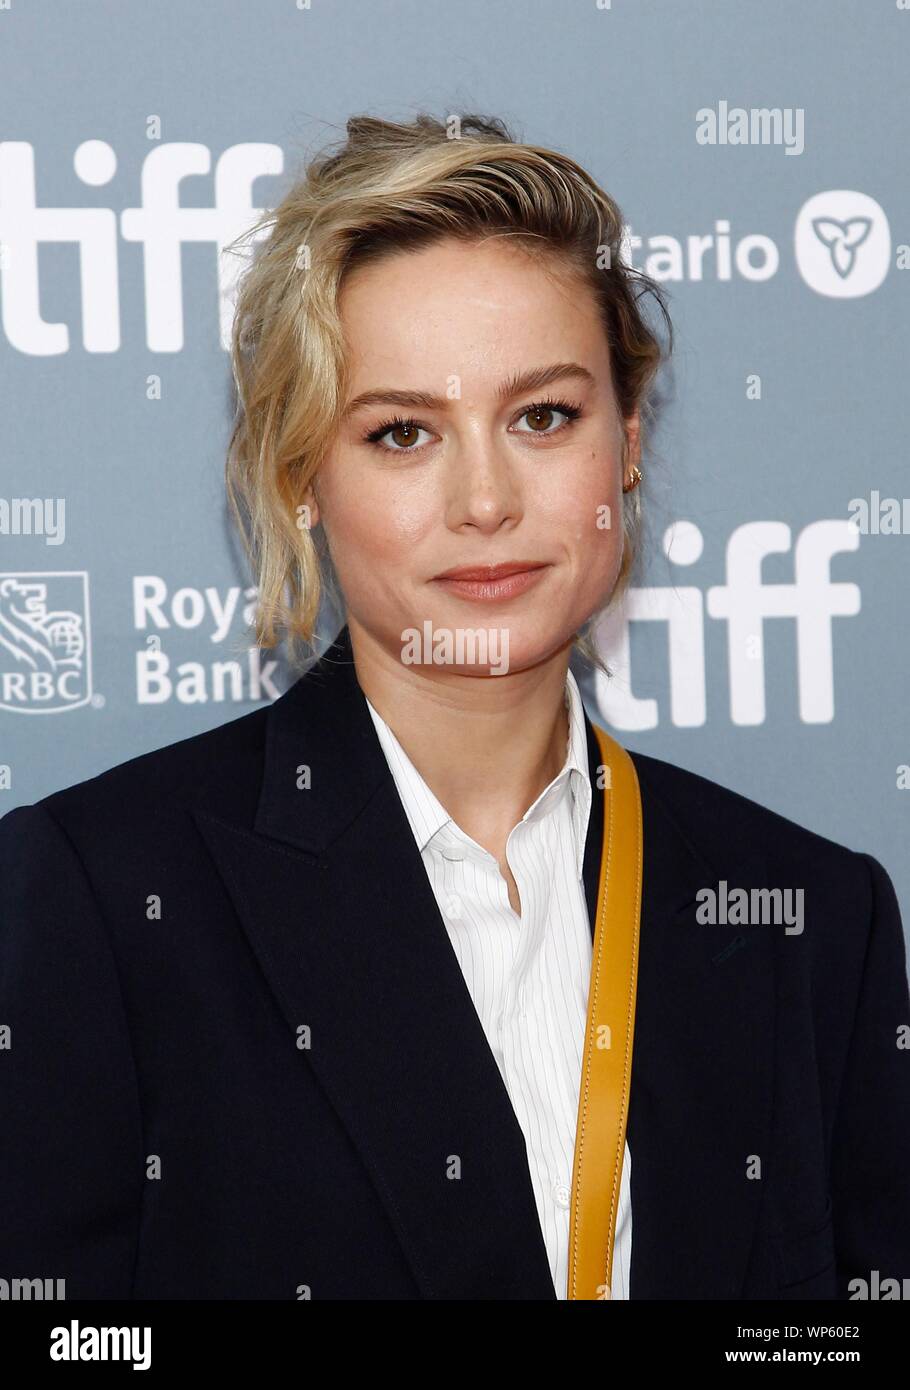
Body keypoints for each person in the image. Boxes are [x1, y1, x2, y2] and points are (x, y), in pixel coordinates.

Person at [1, 113, 909, 1301]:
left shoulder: (812, 915)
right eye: (401, 432)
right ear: (301, 480)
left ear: (627, 441)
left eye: (543, 416)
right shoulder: (99, 892)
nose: (484, 498)